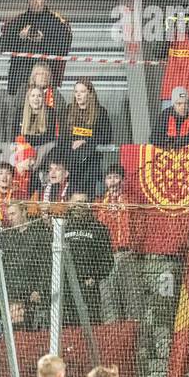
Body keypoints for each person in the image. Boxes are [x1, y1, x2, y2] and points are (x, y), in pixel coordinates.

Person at [0, 0, 72, 96]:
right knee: (19, 107)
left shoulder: (56, 21)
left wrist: (43, 40)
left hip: (45, 73)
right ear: (28, 2)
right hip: (21, 75)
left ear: (45, 1)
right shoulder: (19, 20)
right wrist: (19, 37)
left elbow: (64, 45)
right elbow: (2, 46)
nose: (35, 2)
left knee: (47, 107)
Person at [95, 164, 139, 323]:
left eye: (115, 177)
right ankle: (111, 333)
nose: (112, 181)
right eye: (109, 177)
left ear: (122, 179)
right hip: (106, 255)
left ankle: (132, 331)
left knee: (130, 295)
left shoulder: (131, 200)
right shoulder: (100, 203)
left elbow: (137, 224)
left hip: (125, 253)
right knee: (108, 296)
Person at [63, 200, 114, 324]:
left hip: (89, 286)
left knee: (91, 321)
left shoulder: (98, 228)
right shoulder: (62, 228)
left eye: (82, 203)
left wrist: (95, 276)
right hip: (66, 286)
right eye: (75, 203)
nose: (78, 207)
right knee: (68, 323)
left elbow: (107, 260)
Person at [63, 78, 112, 198]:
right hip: (72, 159)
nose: (78, 95)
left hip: (91, 159)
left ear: (90, 93)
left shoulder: (100, 111)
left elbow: (106, 136)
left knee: (88, 193)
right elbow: (63, 135)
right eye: (76, 92)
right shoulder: (69, 110)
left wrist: (85, 140)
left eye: (82, 92)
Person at [158, 13, 189, 108]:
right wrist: (167, 33)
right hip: (170, 93)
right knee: (168, 123)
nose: (181, 22)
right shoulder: (170, 38)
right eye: (178, 19)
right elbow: (158, 53)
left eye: (185, 19)